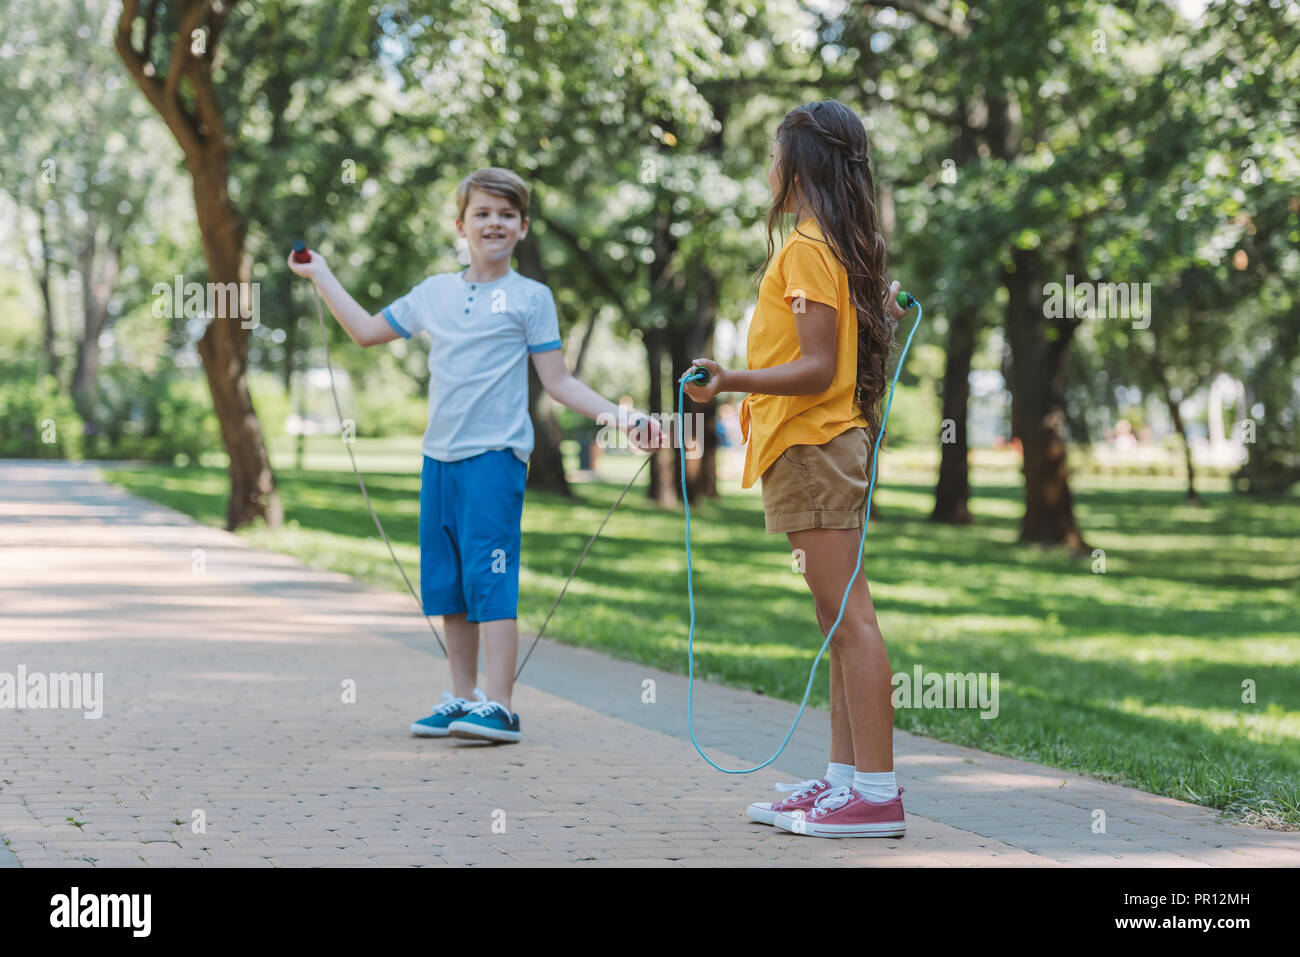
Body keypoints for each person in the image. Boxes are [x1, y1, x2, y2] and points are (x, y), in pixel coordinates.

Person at [288, 167, 660, 744]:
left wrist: (624, 417)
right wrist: (322, 274)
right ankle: (462, 699)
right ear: (460, 224)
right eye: (483, 213)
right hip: (439, 459)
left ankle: (501, 706)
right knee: (449, 584)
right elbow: (363, 331)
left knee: (491, 579)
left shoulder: (532, 299)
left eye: (506, 214)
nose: (494, 223)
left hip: (495, 457)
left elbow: (558, 382)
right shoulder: (433, 293)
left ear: (523, 227)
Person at [684, 101, 909, 837]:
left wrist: (728, 381)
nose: (769, 167)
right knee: (836, 619)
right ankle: (846, 781)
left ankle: (876, 792)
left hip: (813, 446)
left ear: (800, 163)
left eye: (776, 153)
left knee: (850, 620)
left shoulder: (808, 247)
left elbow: (814, 369)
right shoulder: (830, 244)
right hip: (808, 448)